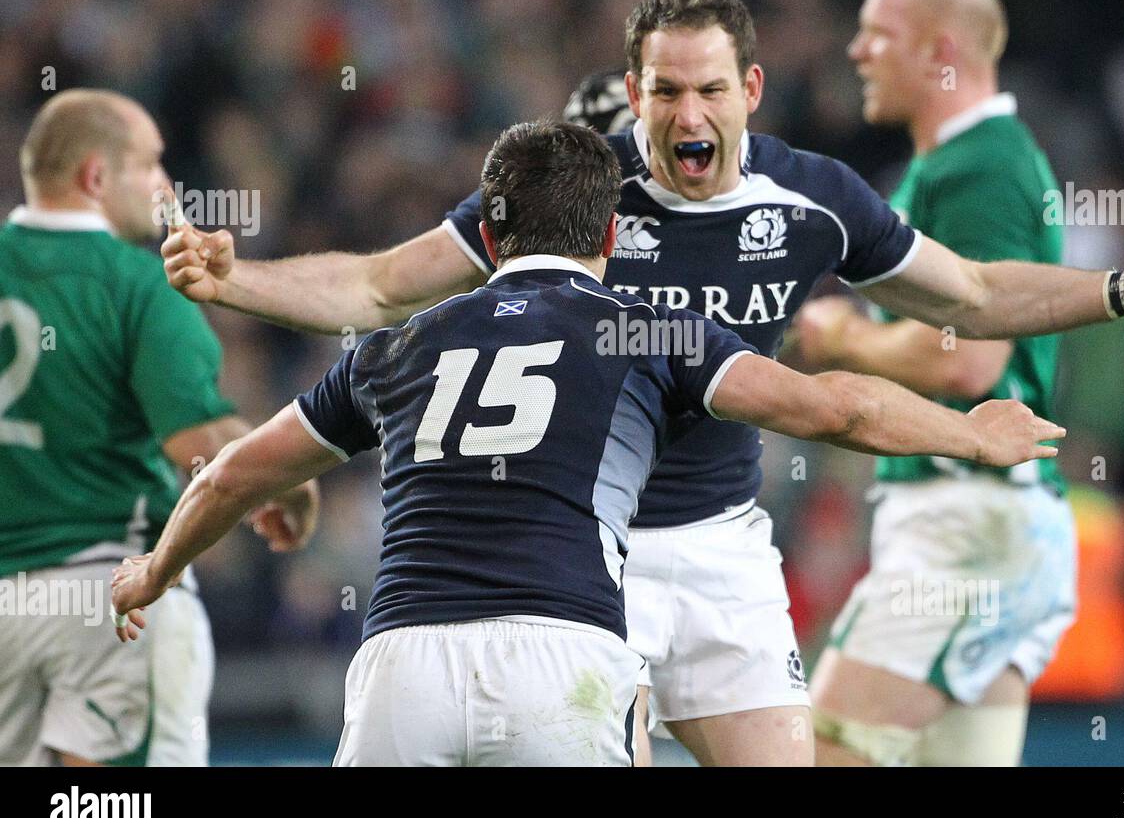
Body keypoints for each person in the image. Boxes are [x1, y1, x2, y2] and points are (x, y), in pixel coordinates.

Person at [157, 0, 1124, 766]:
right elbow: (375, 289)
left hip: (722, 551)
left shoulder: (814, 199)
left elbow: (975, 294)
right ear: (632, 95)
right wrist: (236, 277)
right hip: (584, 562)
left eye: (706, 92)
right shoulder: (577, 195)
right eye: (661, 95)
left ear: (748, 87)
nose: (684, 118)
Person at [113, 119, 1063, 766]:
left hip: (403, 659)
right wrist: (971, 434)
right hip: (557, 658)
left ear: (488, 231)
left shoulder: (397, 343)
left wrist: (152, 571)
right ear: (611, 232)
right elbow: (835, 408)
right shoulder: (641, 327)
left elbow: (235, 472)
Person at [793, 0, 1075, 766]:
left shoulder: (979, 164)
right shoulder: (949, 163)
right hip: (991, 522)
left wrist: (844, 340)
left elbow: (968, 364)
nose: (856, 51)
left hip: (967, 520)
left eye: (878, 33)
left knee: (818, 751)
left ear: (941, 51)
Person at [0, 89, 318, 767]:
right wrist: (292, 482)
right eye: (150, 165)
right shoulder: (138, 285)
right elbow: (200, 445)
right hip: (110, 590)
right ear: (95, 176)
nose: (166, 187)